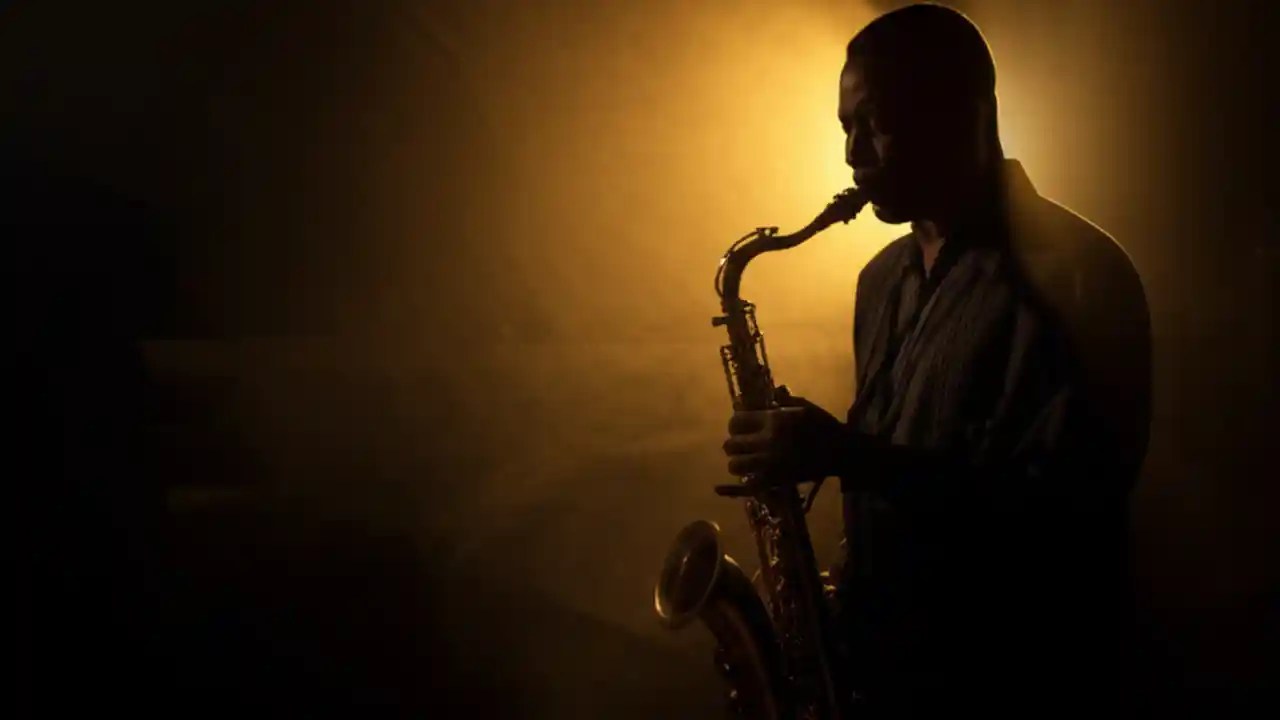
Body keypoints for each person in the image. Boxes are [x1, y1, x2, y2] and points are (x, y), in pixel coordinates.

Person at [722, 4, 1152, 716]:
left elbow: (1063, 517)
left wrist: (847, 454)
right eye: (844, 127)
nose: (853, 153)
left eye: (875, 120)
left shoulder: (1085, 276)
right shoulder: (880, 280)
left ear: (965, 112)